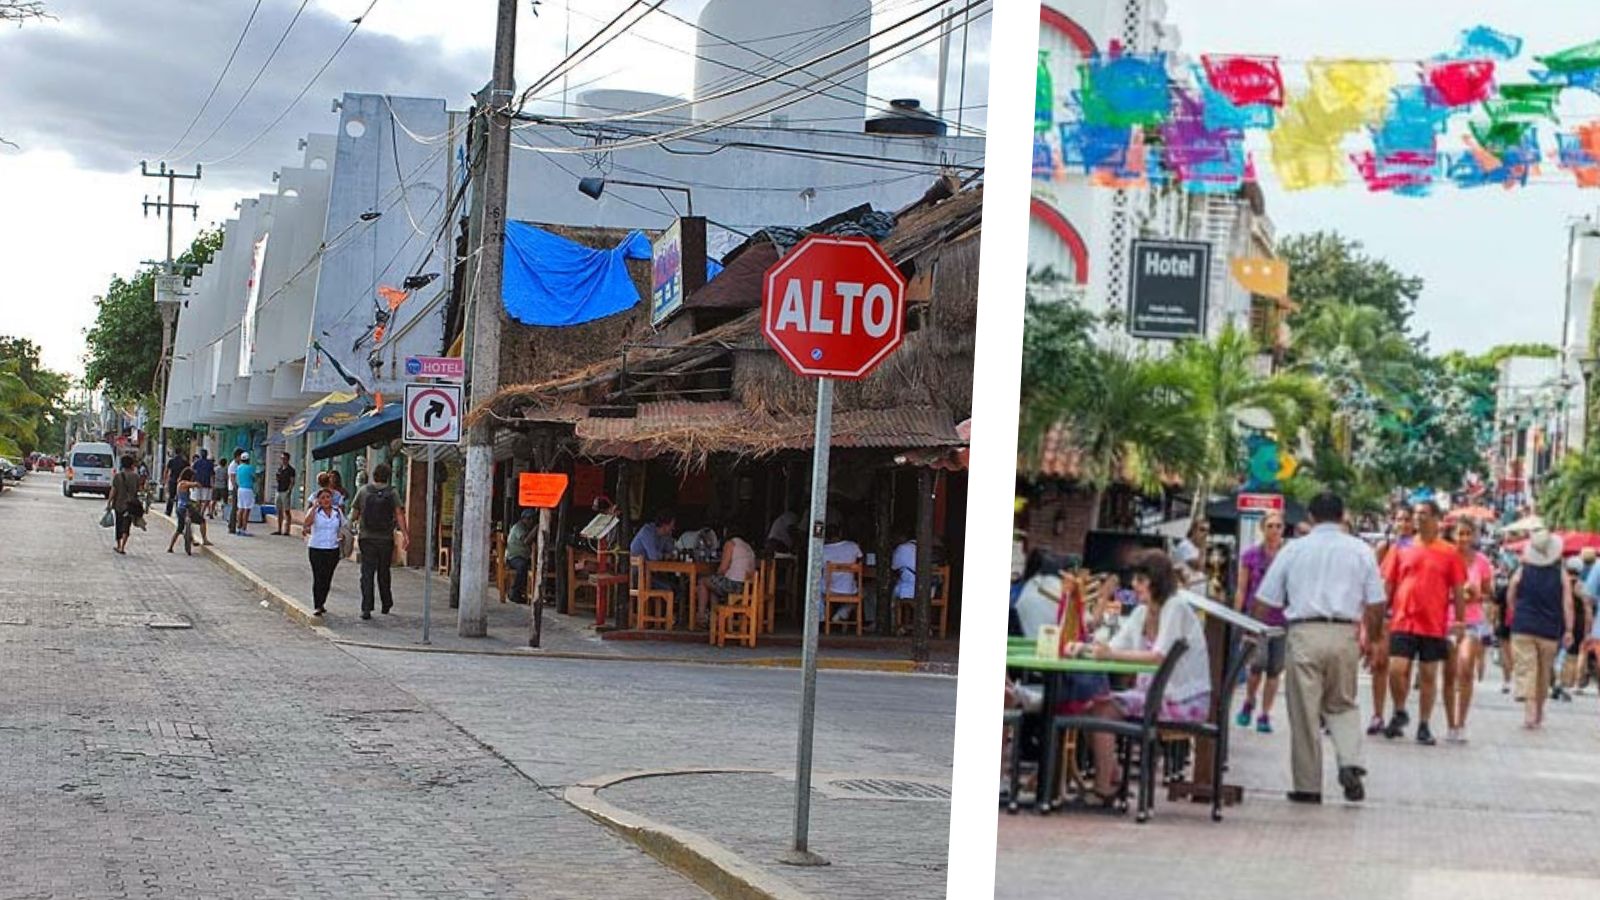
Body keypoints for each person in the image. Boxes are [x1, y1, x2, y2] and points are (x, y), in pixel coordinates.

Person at [1254, 491, 1387, 804]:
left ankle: (1308, 786)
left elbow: (1265, 599)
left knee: (1305, 713)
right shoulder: (1361, 550)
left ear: (1310, 518)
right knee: (1342, 703)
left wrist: (1253, 633)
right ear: (1343, 517)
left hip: (1304, 633)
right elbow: (1377, 602)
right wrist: (1375, 639)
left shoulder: (1293, 550)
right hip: (1344, 635)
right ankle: (1350, 762)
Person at [1062, 550, 1210, 803]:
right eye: (1135, 580)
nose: (1134, 585)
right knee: (1089, 708)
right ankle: (1113, 779)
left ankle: (1104, 789)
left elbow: (1158, 656)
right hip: (1153, 694)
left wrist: (1109, 654)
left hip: (1184, 700)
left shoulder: (1175, 607)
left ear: (1157, 581)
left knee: (1102, 710)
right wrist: (1085, 648)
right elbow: (1113, 644)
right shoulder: (1142, 613)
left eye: (1141, 580)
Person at [1381, 501, 1467, 746]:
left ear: (1437, 519)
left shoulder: (1449, 552)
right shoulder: (1401, 546)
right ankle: (1400, 710)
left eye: (1424, 515)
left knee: (1428, 675)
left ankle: (1424, 724)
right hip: (1402, 619)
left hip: (1433, 623)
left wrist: (1459, 622)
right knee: (1397, 670)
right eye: (1416, 514)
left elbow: (1459, 591)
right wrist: (1380, 614)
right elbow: (1388, 583)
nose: (1417, 519)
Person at [1506, 530, 1574, 729]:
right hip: (1549, 629)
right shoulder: (1561, 574)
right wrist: (1568, 629)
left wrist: (1515, 610)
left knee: (1527, 668)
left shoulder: (1522, 570)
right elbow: (1567, 603)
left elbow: (1511, 592)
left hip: (1523, 626)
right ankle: (1540, 710)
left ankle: (1530, 710)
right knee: (1544, 672)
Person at [1365, 505, 1418, 735]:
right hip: (1386, 613)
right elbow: (1375, 580)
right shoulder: (1385, 547)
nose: (1404, 524)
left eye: (1408, 520)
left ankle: (1398, 710)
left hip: (1408, 614)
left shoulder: (1420, 547)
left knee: (1402, 668)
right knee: (1379, 664)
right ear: (1392, 522)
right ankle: (1377, 714)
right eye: (1400, 519)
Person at [1235, 511, 1288, 734]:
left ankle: (1265, 713)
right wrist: (1238, 618)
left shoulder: (1289, 555)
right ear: (1262, 528)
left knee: (1275, 669)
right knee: (1257, 664)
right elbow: (1241, 588)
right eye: (1270, 526)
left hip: (1282, 619)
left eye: (1278, 526)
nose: (1274, 530)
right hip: (1256, 617)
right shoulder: (1251, 556)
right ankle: (1249, 700)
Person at [1441, 519, 1492, 743]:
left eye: (1469, 534)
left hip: (1472, 622)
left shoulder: (1481, 562)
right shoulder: (1445, 559)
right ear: (1452, 535)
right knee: (1449, 673)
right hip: (1448, 621)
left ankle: (1462, 722)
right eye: (1460, 533)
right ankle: (1450, 722)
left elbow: (1489, 594)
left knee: (1465, 668)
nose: (1464, 538)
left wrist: (1475, 594)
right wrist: (1455, 595)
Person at [348, 462, 407, 619]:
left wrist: (347, 528)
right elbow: (399, 514)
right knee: (383, 571)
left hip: (366, 537)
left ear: (374, 475)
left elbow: (353, 514)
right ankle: (386, 603)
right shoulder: (392, 493)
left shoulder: (363, 491)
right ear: (388, 477)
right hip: (385, 538)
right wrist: (405, 534)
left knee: (367, 572)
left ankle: (366, 608)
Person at [697, 525, 756, 628]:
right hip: (747, 587)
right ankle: (715, 620)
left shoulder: (731, 544)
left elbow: (723, 569)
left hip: (734, 585)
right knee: (713, 585)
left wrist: (717, 573)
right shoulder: (747, 546)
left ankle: (701, 616)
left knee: (703, 581)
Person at [302, 488, 345, 617]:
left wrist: (342, 536)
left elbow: (344, 526)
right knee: (318, 576)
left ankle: (322, 601)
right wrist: (314, 508)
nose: (326, 500)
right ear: (318, 500)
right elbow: (307, 523)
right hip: (316, 548)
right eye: (323, 498)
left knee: (327, 577)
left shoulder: (337, 512)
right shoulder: (315, 512)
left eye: (328, 497)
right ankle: (318, 604)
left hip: (332, 548)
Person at [821, 523, 864, 623]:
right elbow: (861, 560)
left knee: (813, 590)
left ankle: (821, 619)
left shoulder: (822, 550)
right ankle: (842, 613)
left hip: (828, 589)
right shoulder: (853, 546)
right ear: (840, 533)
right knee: (863, 592)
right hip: (849, 590)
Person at [106, 454, 144, 556]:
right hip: (131, 505)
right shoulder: (136, 476)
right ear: (132, 465)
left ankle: (118, 545)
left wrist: (109, 502)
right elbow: (140, 490)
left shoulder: (118, 476)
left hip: (119, 504)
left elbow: (113, 491)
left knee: (119, 524)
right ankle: (123, 546)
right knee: (127, 525)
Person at [504, 509, 537, 605]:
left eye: (532, 520)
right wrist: (535, 529)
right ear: (524, 519)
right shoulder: (519, 527)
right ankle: (514, 593)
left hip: (524, 557)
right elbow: (526, 540)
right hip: (514, 557)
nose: (531, 522)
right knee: (522, 567)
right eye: (529, 519)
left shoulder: (526, 528)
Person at [165, 467, 200, 554]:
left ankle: (171, 547)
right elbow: (194, 484)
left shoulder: (180, 483)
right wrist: (196, 484)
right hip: (185, 507)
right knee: (200, 520)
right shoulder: (183, 483)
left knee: (179, 529)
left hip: (180, 507)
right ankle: (195, 539)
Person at [1174, 520, 1210, 590]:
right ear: (1193, 530)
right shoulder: (1185, 546)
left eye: (1207, 531)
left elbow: (1201, 570)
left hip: (1195, 593)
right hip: (1187, 593)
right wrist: (1203, 549)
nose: (1205, 533)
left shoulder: (1196, 548)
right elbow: (1198, 567)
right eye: (1202, 529)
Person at [273, 452, 297, 536]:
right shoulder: (280, 469)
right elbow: (277, 479)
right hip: (279, 490)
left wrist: (289, 491)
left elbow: (292, 481)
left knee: (286, 510)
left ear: (288, 459)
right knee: (279, 510)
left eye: (284, 459)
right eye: (282, 459)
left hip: (285, 491)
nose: (283, 460)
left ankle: (287, 529)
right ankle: (279, 529)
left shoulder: (291, 470)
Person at [233, 452, 256, 536]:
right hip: (248, 489)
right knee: (247, 509)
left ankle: (238, 527)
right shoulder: (250, 468)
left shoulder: (238, 468)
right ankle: (244, 528)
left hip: (240, 489)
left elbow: (236, 479)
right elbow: (254, 478)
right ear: (248, 460)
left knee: (240, 508)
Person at [191, 449, 216, 523]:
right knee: (206, 500)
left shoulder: (196, 462)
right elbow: (212, 475)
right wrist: (213, 483)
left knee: (198, 499)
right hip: (207, 483)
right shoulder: (210, 463)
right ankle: (201, 513)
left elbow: (192, 472)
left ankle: (198, 512)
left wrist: (192, 481)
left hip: (198, 483)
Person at [162, 449, 186, 517]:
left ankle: (168, 511)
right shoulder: (184, 462)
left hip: (172, 480)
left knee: (171, 496)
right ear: (181, 453)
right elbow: (187, 471)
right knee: (180, 497)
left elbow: (166, 470)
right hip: (181, 481)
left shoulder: (171, 461)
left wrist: (164, 480)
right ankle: (179, 512)